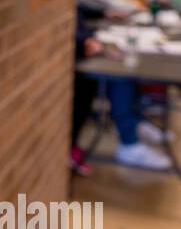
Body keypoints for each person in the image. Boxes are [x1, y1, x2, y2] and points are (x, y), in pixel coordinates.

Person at [72, 11, 172, 172]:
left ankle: (135, 124)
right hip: (80, 64)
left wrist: (89, 39)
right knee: (121, 79)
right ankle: (130, 144)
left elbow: (81, 23)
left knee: (130, 72)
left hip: (87, 52)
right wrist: (86, 41)